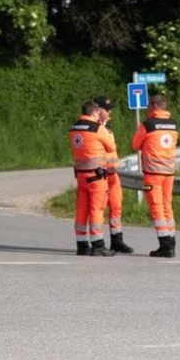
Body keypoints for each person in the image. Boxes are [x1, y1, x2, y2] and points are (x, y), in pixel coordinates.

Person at [131, 93, 180, 258]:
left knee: (156, 206)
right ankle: (171, 241)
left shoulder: (148, 124)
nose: (146, 109)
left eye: (148, 106)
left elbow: (135, 144)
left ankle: (165, 245)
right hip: (169, 173)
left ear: (154, 106)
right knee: (167, 205)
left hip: (152, 174)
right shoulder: (174, 125)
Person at [68, 100, 115, 257]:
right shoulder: (97, 128)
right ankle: (98, 245)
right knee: (96, 209)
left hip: (81, 175)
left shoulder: (73, 128)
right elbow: (111, 147)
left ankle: (81, 245)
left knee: (82, 209)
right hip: (96, 175)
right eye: (97, 114)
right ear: (94, 112)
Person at [93, 95, 134, 254]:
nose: (110, 111)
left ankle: (117, 240)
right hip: (101, 173)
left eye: (110, 108)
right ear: (98, 110)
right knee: (99, 207)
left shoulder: (107, 126)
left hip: (113, 173)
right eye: (107, 108)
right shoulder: (93, 127)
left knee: (116, 206)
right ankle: (97, 242)